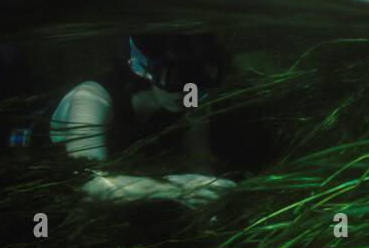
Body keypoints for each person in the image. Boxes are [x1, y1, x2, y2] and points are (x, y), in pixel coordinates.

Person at [49, 33, 236, 206]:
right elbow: (86, 184)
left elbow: (200, 167)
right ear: (140, 68)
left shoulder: (191, 104)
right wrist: (174, 189)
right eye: (177, 76)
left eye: (202, 76)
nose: (191, 89)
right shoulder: (91, 98)